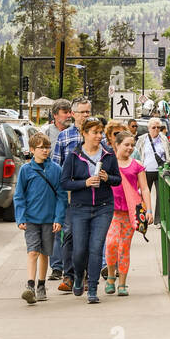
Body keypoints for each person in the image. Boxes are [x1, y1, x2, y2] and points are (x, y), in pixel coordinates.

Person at [61, 116, 121, 303]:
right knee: (79, 250)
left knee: (95, 248)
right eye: (95, 132)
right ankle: (79, 276)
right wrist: (84, 183)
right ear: (84, 133)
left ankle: (93, 288)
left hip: (103, 207)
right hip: (79, 208)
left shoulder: (108, 155)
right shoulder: (74, 155)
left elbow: (117, 180)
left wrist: (107, 178)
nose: (99, 136)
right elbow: (64, 183)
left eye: (100, 132)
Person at [14, 131, 67, 304]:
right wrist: (20, 217)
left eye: (47, 147)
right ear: (31, 150)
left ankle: (41, 284)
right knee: (33, 251)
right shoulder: (26, 170)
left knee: (45, 253)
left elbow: (61, 196)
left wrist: (59, 218)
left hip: (49, 220)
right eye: (41, 148)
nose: (45, 151)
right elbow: (19, 195)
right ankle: (30, 285)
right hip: (30, 219)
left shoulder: (56, 169)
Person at [104, 130, 152, 297]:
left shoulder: (137, 165)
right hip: (111, 211)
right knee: (111, 244)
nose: (130, 148)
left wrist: (149, 210)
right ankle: (111, 276)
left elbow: (144, 188)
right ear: (116, 145)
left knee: (124, 247)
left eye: (132, 145)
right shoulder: (108, 163)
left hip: (130, 212)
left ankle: (122, 283)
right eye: (126, 144)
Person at [52, 96, 93, 293]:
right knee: (67, 235)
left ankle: (83, 276)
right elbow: (56, 165)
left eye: (88, 112)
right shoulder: (64, 136)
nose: (86, 115)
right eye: (83, 112)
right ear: (73, 114)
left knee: (85, 236)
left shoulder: (95, 134)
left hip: (90, 193)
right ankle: (68, 276)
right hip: (69, 193)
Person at [46, 99, 72, 279]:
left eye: (70, 112)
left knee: (69, 227)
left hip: (72, 186)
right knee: (55, 226)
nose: (68, 115)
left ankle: (69, 265)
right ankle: (56, 266)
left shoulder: (74, 133)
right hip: (52, 184)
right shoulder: (47, 133)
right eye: (65, 112)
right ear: (55, 115)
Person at [132, 117, 170, 223]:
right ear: (148, 128)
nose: (156, 129)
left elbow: (168, 154)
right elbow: (136, 154)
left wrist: (169, 166)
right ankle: (143, 217)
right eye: (154, 127)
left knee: (161, 195)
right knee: (144, 195)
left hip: (160, 171)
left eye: (159, 127)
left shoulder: (164, 138)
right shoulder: (142, 139)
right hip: (145, 171)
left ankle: (158, 219)